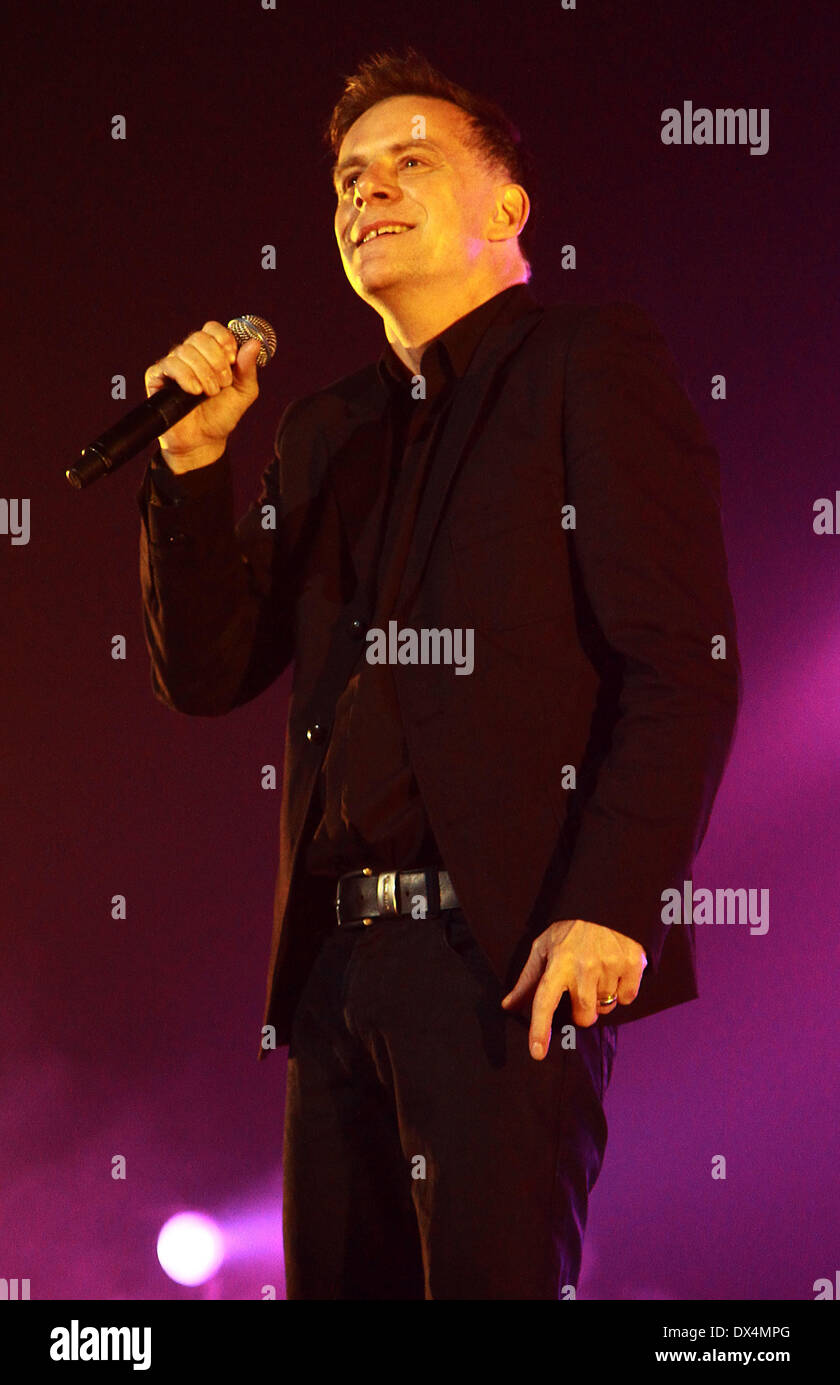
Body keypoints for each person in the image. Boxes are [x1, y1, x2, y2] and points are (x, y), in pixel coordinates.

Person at [136, 49, 741, 1299]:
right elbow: (206, 672)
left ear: (506, 206)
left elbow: (682, 660)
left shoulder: (586, 361)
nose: (369, 190)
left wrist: (614, 903)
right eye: (350, 177)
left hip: (505, 953)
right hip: (334, 966)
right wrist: (191, 469)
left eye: (411, 162)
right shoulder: (324, 429)